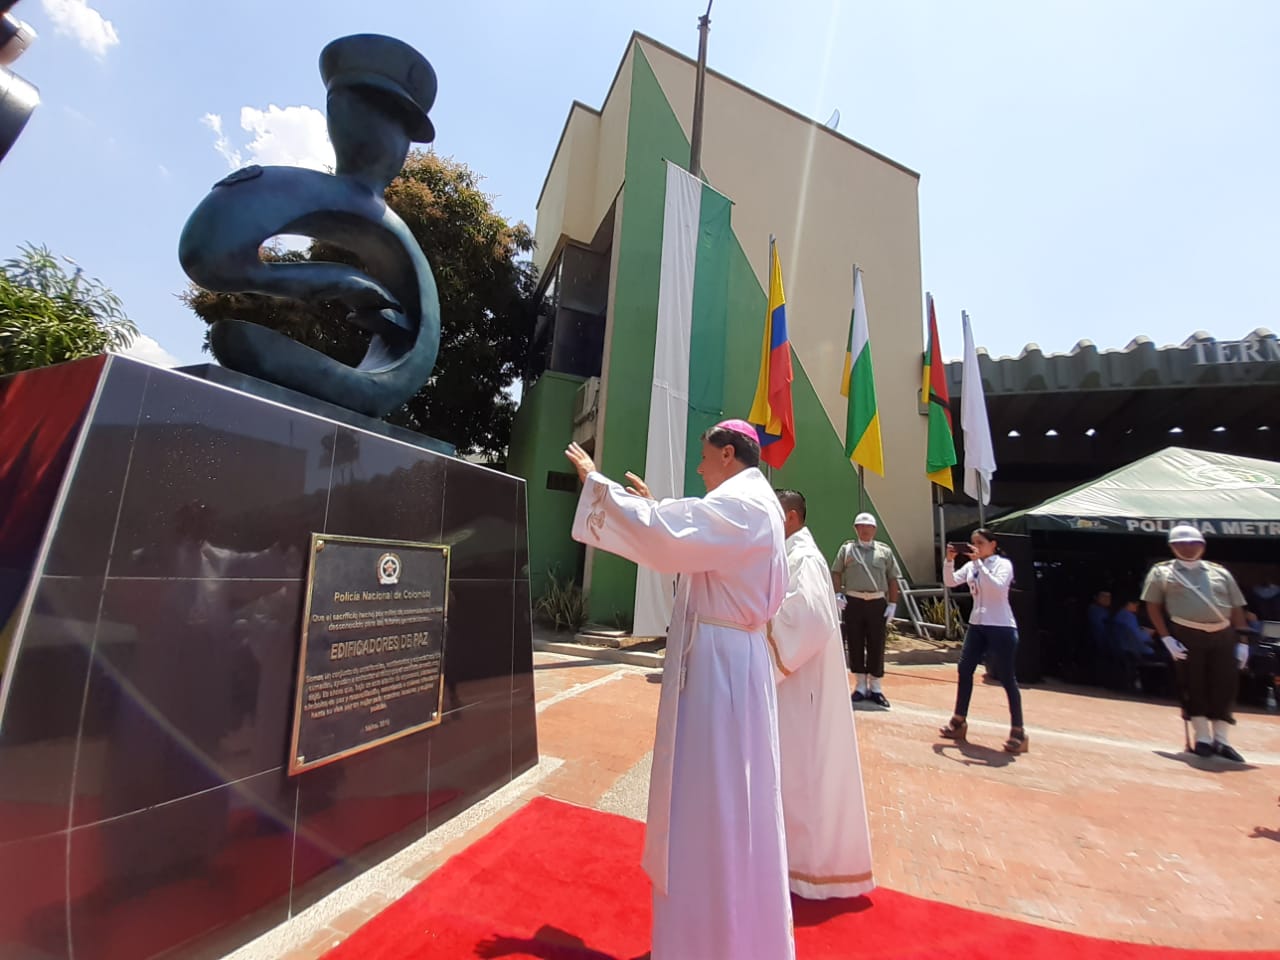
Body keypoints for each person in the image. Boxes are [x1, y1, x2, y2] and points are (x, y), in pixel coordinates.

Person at [564, 419, 793, 960]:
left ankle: (717, 940)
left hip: (723, 672)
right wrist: (657, 508)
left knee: (715, 801)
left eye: (705, 456)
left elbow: (672, 538)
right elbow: (689, 541)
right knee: (719, 799)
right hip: (725, 661)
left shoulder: (744, 504)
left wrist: (600, 487)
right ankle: (715, 935)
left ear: (731, 455)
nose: (699, 466)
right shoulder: (748, 501)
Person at [768, 489, 875, 900]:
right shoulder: (789, 554)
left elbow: (808, 618)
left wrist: (758, 644)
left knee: (802, 778)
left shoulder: (804, 558)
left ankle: (809, 871)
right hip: (791, 682)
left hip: (800, 685)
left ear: (791, 517)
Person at [1141, 525, 1251, 762]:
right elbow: (1153, 606)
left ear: (1203, 545)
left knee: (1225, 684)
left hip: (1223, 634)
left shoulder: (1220, 572)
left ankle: (1221, 740)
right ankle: (1202, 737)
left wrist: (1243, 641)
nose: (1189, 548)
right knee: (1193, 684)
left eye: (1194, 543)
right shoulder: (1162, 573)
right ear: (1172, 546)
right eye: (1182, 543)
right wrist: (1166, 638)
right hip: (1186, 633)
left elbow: (1236, 607)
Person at [938, 528, 1028, 753]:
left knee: (1007, 677)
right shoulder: (971, 565)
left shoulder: (1003, 565)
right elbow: (950, 582)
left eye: (980, 542)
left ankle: (1018, 730)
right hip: (977, 624)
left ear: (992, 544)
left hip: (1001, 625)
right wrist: (949, 561)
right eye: (973, 543)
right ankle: (959, 719)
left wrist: (978, 563)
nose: (975, 547)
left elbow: (997, 588)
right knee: (964, 669)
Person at [831, 512, 900, 707]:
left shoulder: (884, 552)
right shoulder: (847, 550)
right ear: (855, 529)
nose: (864, 529)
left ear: (874, 529)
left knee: (877, 643)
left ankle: (876, 686)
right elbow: (836, 572)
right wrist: (837, 594)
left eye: (868, 526)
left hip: (877, 602)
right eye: (860, 526)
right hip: (854, 601)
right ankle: (860, 685)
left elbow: (893, 578)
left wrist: (893, 604)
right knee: (855, 641)